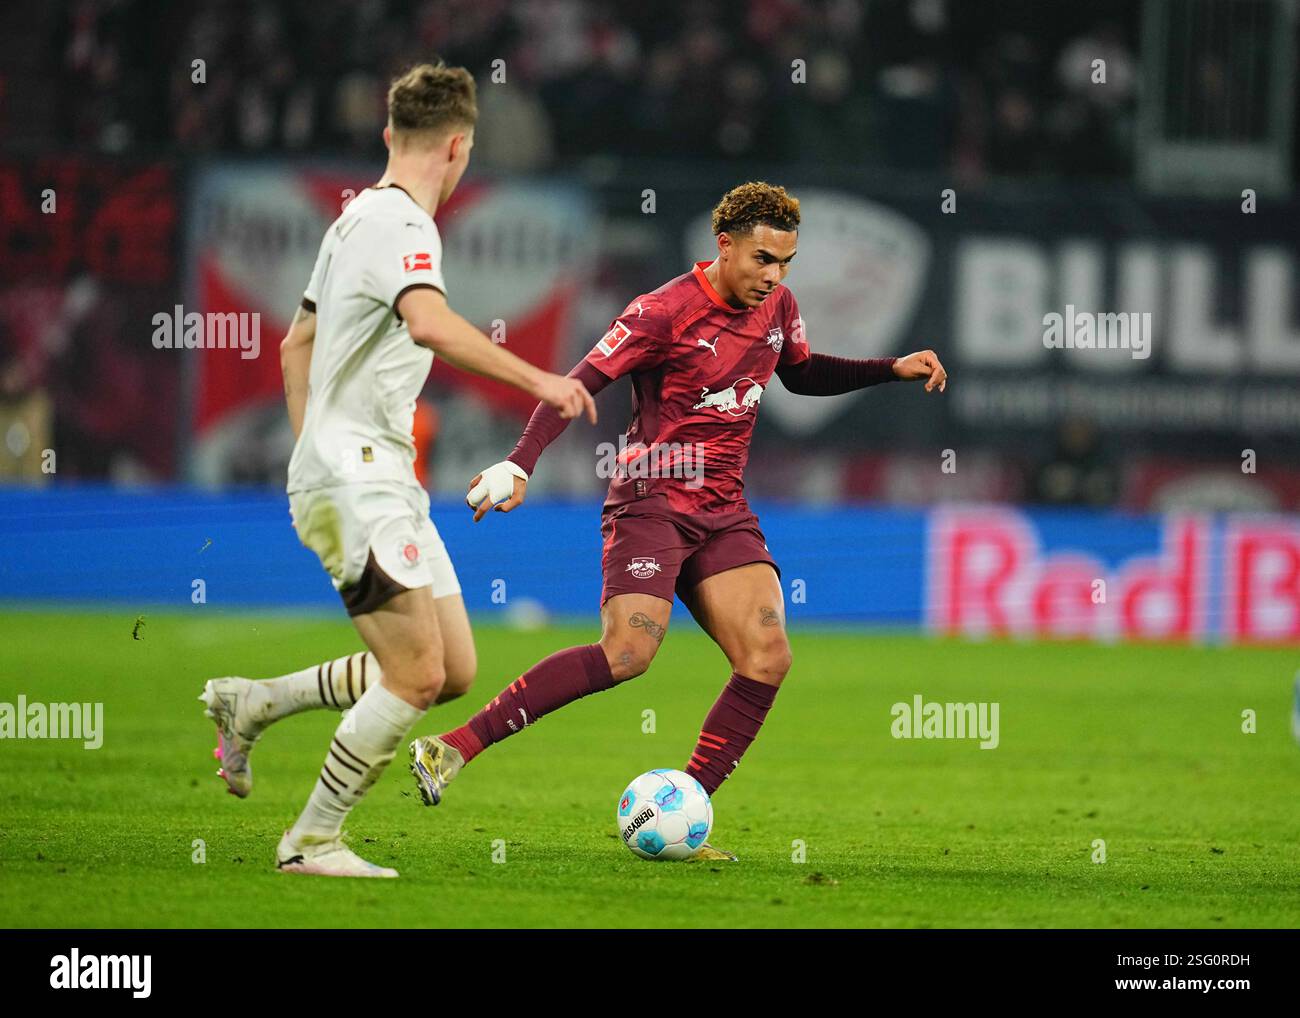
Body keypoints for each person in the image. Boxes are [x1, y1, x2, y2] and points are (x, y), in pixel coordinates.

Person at [409, 181, 947, 860]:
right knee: (627, 655)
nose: (773, 276)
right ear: (723, 246)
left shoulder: (778, 306)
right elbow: (578, 382)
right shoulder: (661, 312)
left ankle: (682, 809)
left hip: (723, 510)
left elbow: (802, 376)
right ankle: (454, 746)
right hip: (652, 502)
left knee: (767, 657)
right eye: (761, 259)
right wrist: (519, 463)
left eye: (785, 262)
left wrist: (889, 369)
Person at [198, 62, 595, 878]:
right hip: (359, 477)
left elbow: (293, 343)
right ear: (460, 147)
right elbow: (429, 323)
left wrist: (316, 448)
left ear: (390, 135)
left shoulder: (351, 223)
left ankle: (257, 702)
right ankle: (310, 842)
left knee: (452, 668)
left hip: (374, 472)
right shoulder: (404, 228)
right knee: (414, 674)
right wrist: (541, 380)